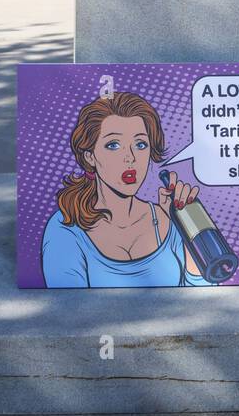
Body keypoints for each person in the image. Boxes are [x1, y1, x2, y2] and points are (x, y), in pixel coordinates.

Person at [40, 91, 214, 288]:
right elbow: (65, 305)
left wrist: (187, 226)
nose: (130, 157)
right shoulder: (66, 227)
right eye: (113, 145)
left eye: (140, 144)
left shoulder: (164, 215)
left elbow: (201, 292)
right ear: (90, 156)